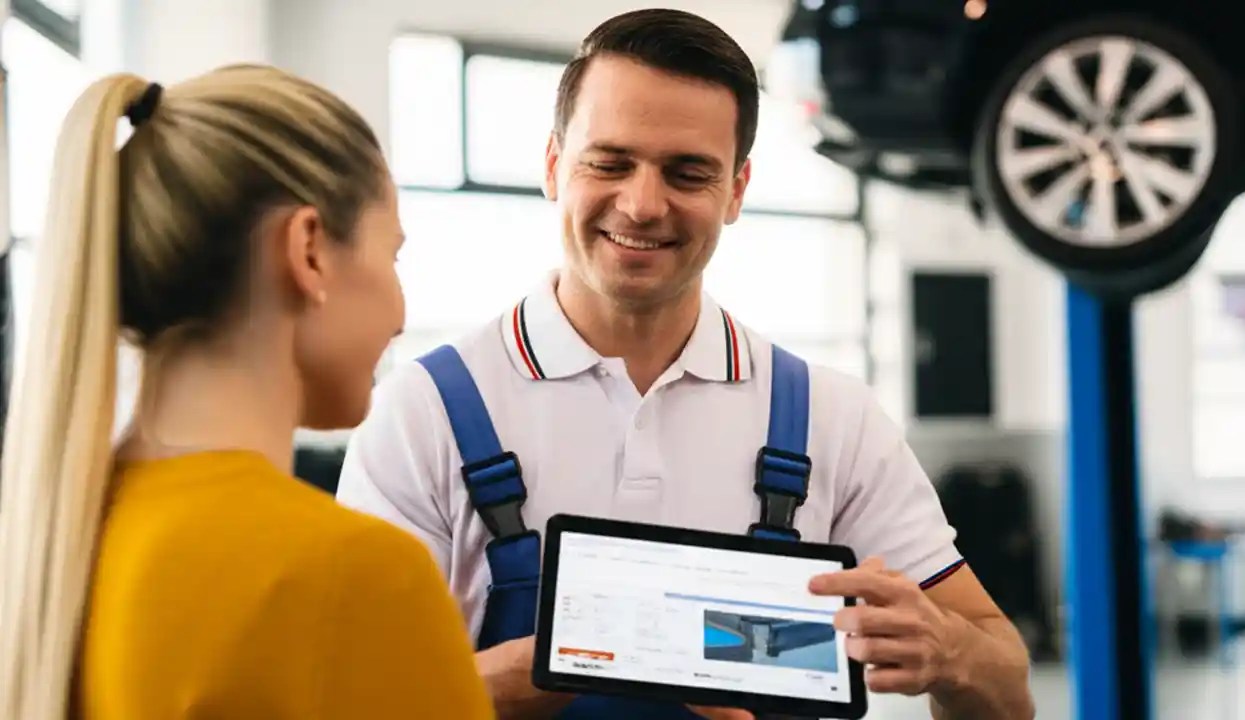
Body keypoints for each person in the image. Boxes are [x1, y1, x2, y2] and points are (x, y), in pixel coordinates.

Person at [337, 8, 1034, 720]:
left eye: (687, 172)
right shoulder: (425, 414)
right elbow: (355, 705)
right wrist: (565, 659)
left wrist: (946, 651)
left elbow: (1009, 690)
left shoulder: (832, 420)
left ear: (736, 190)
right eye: (609, 162)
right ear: (553, 166)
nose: (642, 204)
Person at [0, 66, 494, 720]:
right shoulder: (356, 575)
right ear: (309, 250)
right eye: (392, 255)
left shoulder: (55, 537)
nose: (401, 312)